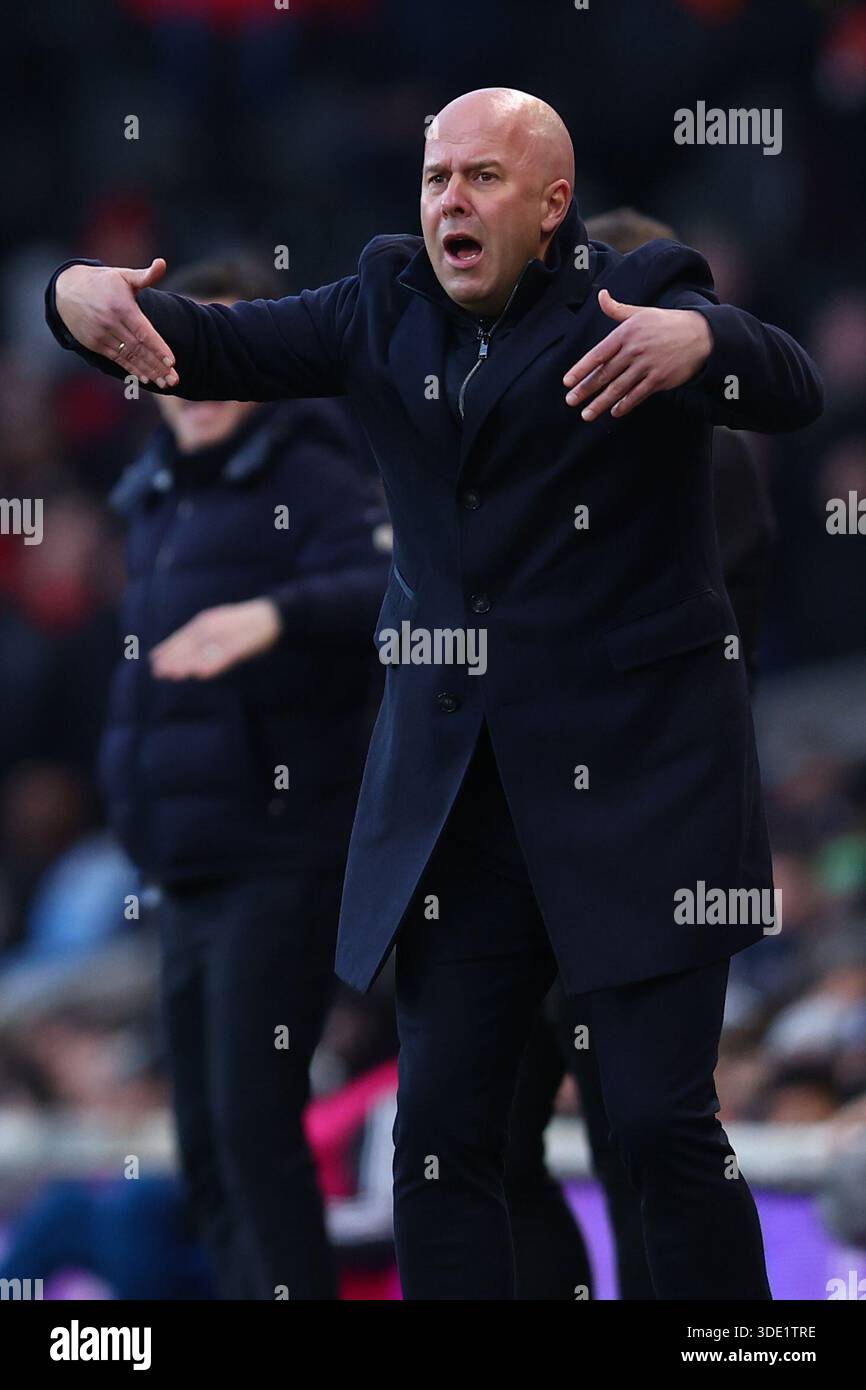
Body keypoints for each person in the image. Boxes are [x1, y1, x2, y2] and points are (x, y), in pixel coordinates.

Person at [44, 88, 822, 1300]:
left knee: (659, 1126)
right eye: (433, 178)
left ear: (553, 203)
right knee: (439, 1138)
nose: (448, 200)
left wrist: (706, 343)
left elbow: (791, 385)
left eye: (481, 179)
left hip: (637, 800)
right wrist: (74, 301)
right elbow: (207, 341)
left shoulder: (643, 289)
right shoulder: (377, 304)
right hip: (457, 813)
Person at [82, 256, 388, 1299]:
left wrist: (273, 617)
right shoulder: (155, 493)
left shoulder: (311, 467)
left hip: (278, 848)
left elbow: (384, 589)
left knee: (256, 1133)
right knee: (206, 1141)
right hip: (184, 862)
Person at [503, 207, 779, 1301]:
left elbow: (713, 651)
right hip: (533, 838)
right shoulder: (523, 447)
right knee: (497, 1135)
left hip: (637, 832)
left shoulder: (697, 458)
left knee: (643, 1128)